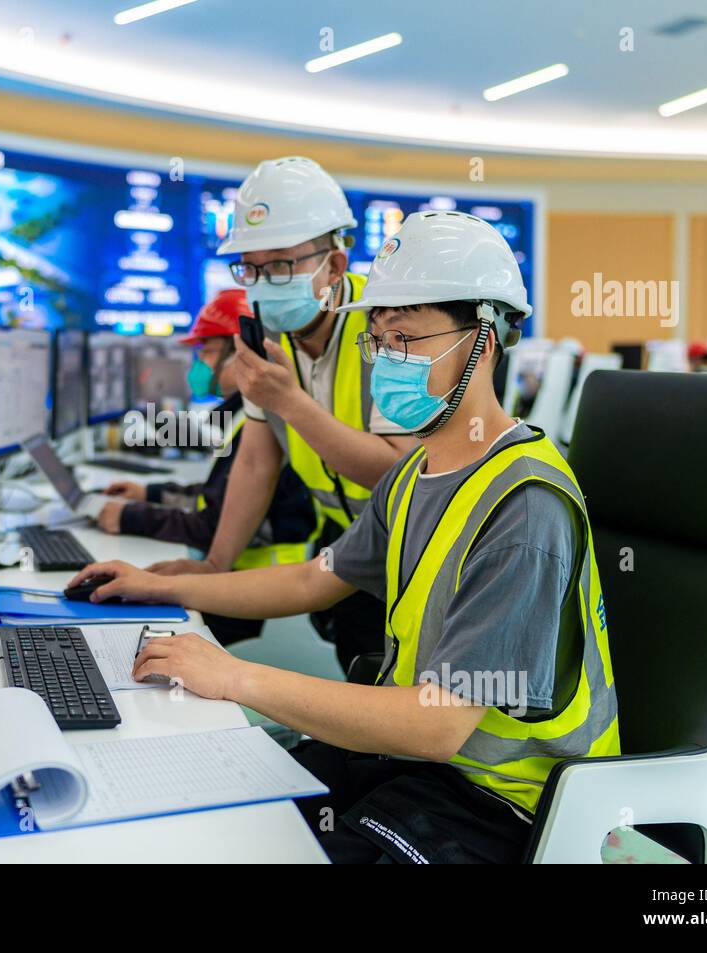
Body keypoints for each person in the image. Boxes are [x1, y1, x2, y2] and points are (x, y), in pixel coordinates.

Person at [69, 211, 620, 863]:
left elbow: (439, 722)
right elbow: (312, 578)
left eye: (409, 339)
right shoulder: (417, 471)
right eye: (379, 340)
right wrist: (166, 583)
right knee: (223, 811)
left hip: (504, 803)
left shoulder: (523, 505)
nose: (389, 360)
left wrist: (236, 676)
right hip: (417, 765)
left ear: (487, 338)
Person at [147, 157, 415, 672]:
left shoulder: (389, 331)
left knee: (389, 706)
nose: (263, 282)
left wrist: (290, 401)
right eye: (251, 267)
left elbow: (395, 473)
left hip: (413, 550)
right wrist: (214, 566)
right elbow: (255, 463)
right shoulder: (267, 337)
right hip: (347, 547)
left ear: (334, 265)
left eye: (281, 266)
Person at [93, 289, 319, 645]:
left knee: (130, 629)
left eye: (207, 351)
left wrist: (129, 517)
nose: (199, 362)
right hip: (245, 575)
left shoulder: (260, 424)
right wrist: (148, 493)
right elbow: (214, 498)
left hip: (258, 591)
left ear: (242, 352)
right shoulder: (239, 413)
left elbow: (211, 523)